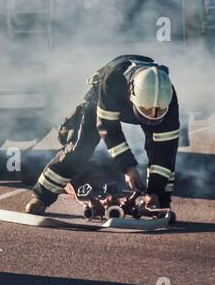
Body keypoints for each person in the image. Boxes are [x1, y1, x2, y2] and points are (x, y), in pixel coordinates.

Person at [25, 55, 180, 214]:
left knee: (165, 156)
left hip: (140, 103)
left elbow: (165, 152)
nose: (152, 116)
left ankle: (158, 202)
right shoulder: (113, 81)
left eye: (159, 111)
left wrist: (154, 193)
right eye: (147, 110)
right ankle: (41, 197)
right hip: (99, 102)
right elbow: (109, 130)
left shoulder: (168, 97)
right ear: (132, 93)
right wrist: (128, 168)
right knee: (80, 149)